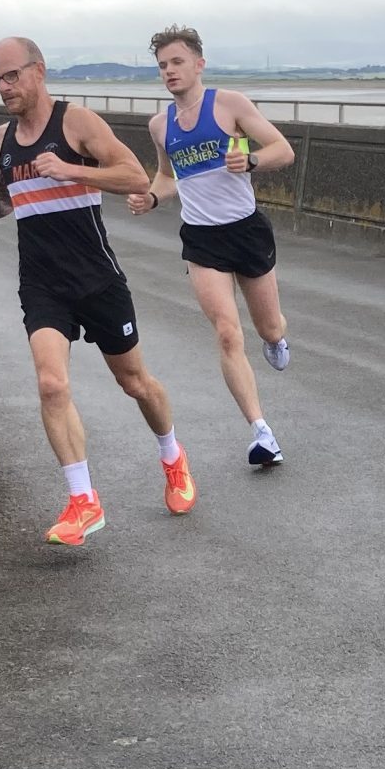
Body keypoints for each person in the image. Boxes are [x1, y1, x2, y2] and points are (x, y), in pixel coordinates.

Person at [0, 36, 196, 545]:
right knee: (51, 384)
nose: (4, 88)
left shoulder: (76, 122)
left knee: (135, 382)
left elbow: (135, 177)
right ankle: (83, 501)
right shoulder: (1, 137)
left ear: (38, 70)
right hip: (42, 283)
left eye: (12, 76)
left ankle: (172, 457)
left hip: (96, 278)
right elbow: (6, 195)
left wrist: (70, 169)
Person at [127, 25, 295, 467]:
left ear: (199, 64)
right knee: (226, 332)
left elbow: (283, 150)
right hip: (201, 239)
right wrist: (151, 197)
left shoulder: (229, 104)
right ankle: (261, 432)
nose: (169, 71)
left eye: (177, 62)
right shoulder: (160, 125)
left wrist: (251, 160)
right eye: (162, 65)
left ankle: (277, 337)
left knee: (268, 328)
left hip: (246, 230)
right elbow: (168, 177)